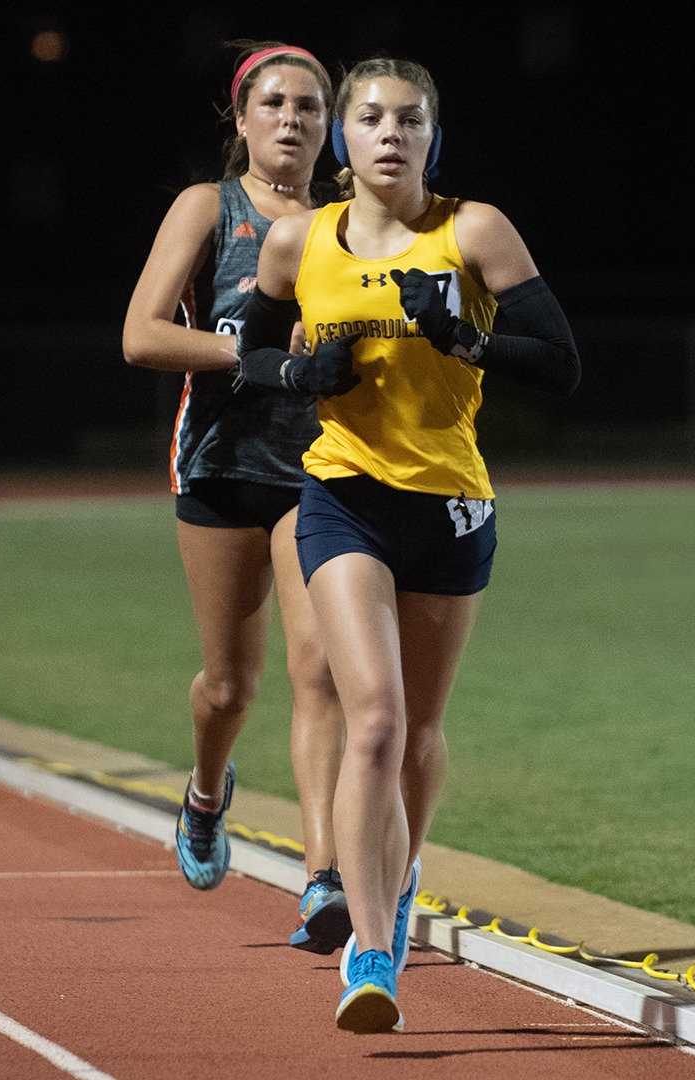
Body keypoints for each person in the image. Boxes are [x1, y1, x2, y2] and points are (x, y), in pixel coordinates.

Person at [236, 56, 580, 1032]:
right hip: (343, 495)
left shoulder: (473, 231)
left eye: (411, 119)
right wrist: (300, 376)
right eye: (373, 118)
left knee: (420, 733)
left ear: (434, 137)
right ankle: (372, 948)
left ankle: (403, 868)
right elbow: (248, 354)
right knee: (376, 723)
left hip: (451, 505)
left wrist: (468, 340)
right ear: (344, 141)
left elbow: (562, 364)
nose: (391, 133)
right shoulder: (300, 240)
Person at [121, 41, 352, 953]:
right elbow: (140, 335)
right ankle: (206, 793)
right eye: (276, 104)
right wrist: (248, 356)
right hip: (220, 464)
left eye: (309, 106)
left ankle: (323, 879)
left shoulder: (346, 224)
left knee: (319, 670)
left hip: (319, 469)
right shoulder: (207, 208)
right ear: (242, 118)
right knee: (229, 686)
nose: (292, 119)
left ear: (328, 126)